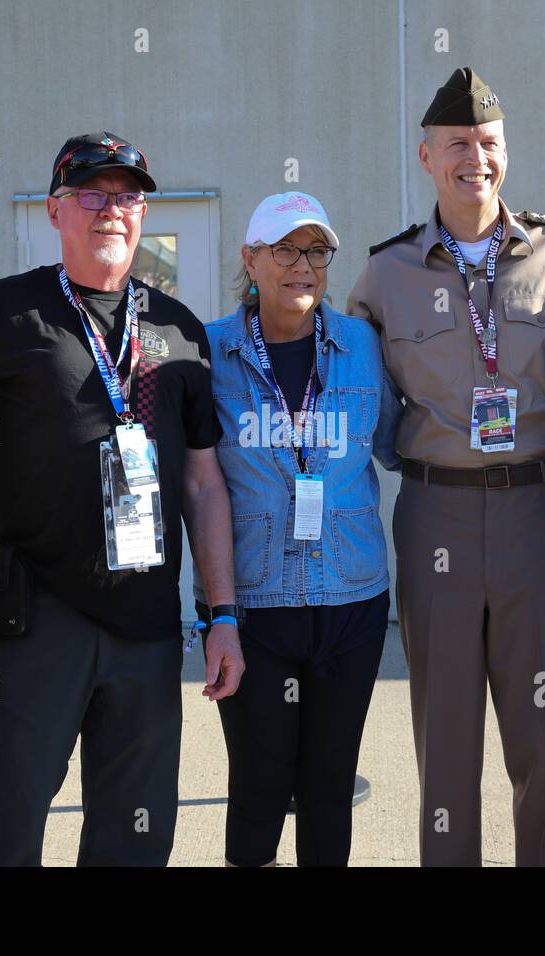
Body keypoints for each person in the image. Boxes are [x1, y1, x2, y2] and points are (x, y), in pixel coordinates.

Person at [0, 132, 243, 867]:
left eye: (126, 196)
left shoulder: (178, 329)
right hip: (33, 619)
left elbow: (203, 482)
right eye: (91, 194)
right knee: (7, 823)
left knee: (136, 834)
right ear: (56, 210)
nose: (111, 210)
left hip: (147, 626)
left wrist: (223, 616)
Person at [348, 67, 545, 866]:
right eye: (456, 144)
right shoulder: (386, 272)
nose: (475, 158)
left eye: (488, 142)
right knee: (445, 731)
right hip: (438, 513)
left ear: (506, 152)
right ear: (426, 157)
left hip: (540, 512)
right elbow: (360, 396)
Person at [204, 192, 402, 866]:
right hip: (254, 603)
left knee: (329, 784)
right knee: (259, 784)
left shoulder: (361, 346)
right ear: (250, 259)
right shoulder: (210, 353)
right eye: (286, 249)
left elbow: (400, 443)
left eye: (316, 251)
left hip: (352, 597)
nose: (303, 266)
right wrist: (213, 611)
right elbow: (193, 483)